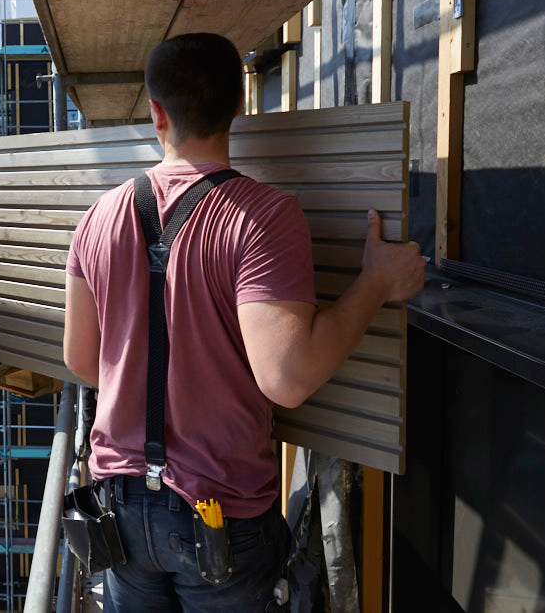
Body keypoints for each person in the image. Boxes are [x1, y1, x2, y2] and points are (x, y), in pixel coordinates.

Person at [63, 32, 425, 611]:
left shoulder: (97, 217)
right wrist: (376, 284)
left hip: (119, 510)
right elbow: (287, 379)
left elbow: (82, 360)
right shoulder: (263, 217)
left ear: (157, 113)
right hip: (219, 515)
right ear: (239, 103)